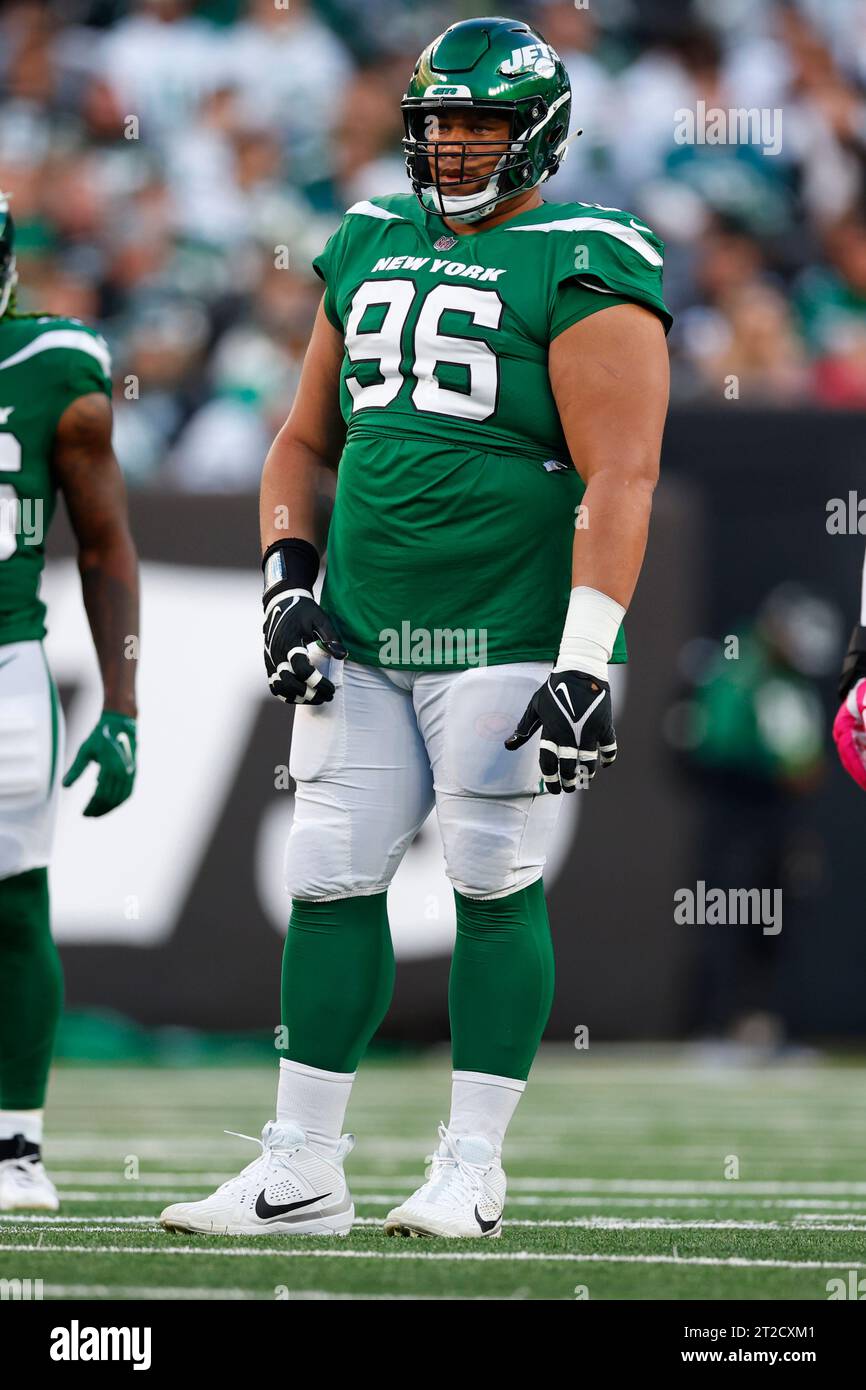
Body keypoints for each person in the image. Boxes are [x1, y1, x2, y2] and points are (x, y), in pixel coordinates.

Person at [160, 14, 670, 1240]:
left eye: (480, 128)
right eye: (437, 128)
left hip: (500, 625)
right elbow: (300, 441)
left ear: (538, 134)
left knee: (491, 878)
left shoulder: (587, 255)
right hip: (362, 625)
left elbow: (622, 475)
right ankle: (301, 1169)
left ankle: (471, 1166)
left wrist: (585, 657)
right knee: (327, 878)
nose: (451, 153)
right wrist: (287, 581)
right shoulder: (369, 236)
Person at [0, 196, 139, 1211]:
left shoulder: (57, 368)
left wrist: (122, 703)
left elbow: (101, 543)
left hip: (4, 663)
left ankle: (13, 1145)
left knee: (12, 904)